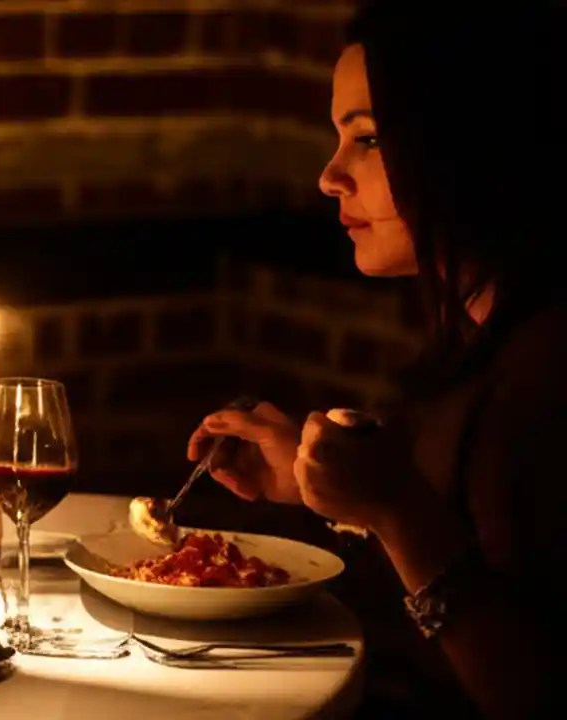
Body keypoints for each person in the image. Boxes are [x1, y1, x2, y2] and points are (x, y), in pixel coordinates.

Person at [186, 3, 563, 718]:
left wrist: (395, 507)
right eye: (338, 137)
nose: (330, 176)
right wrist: (316, 480)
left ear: (467, 146)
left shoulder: (545, 372)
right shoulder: (477, 337)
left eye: (369, 139)